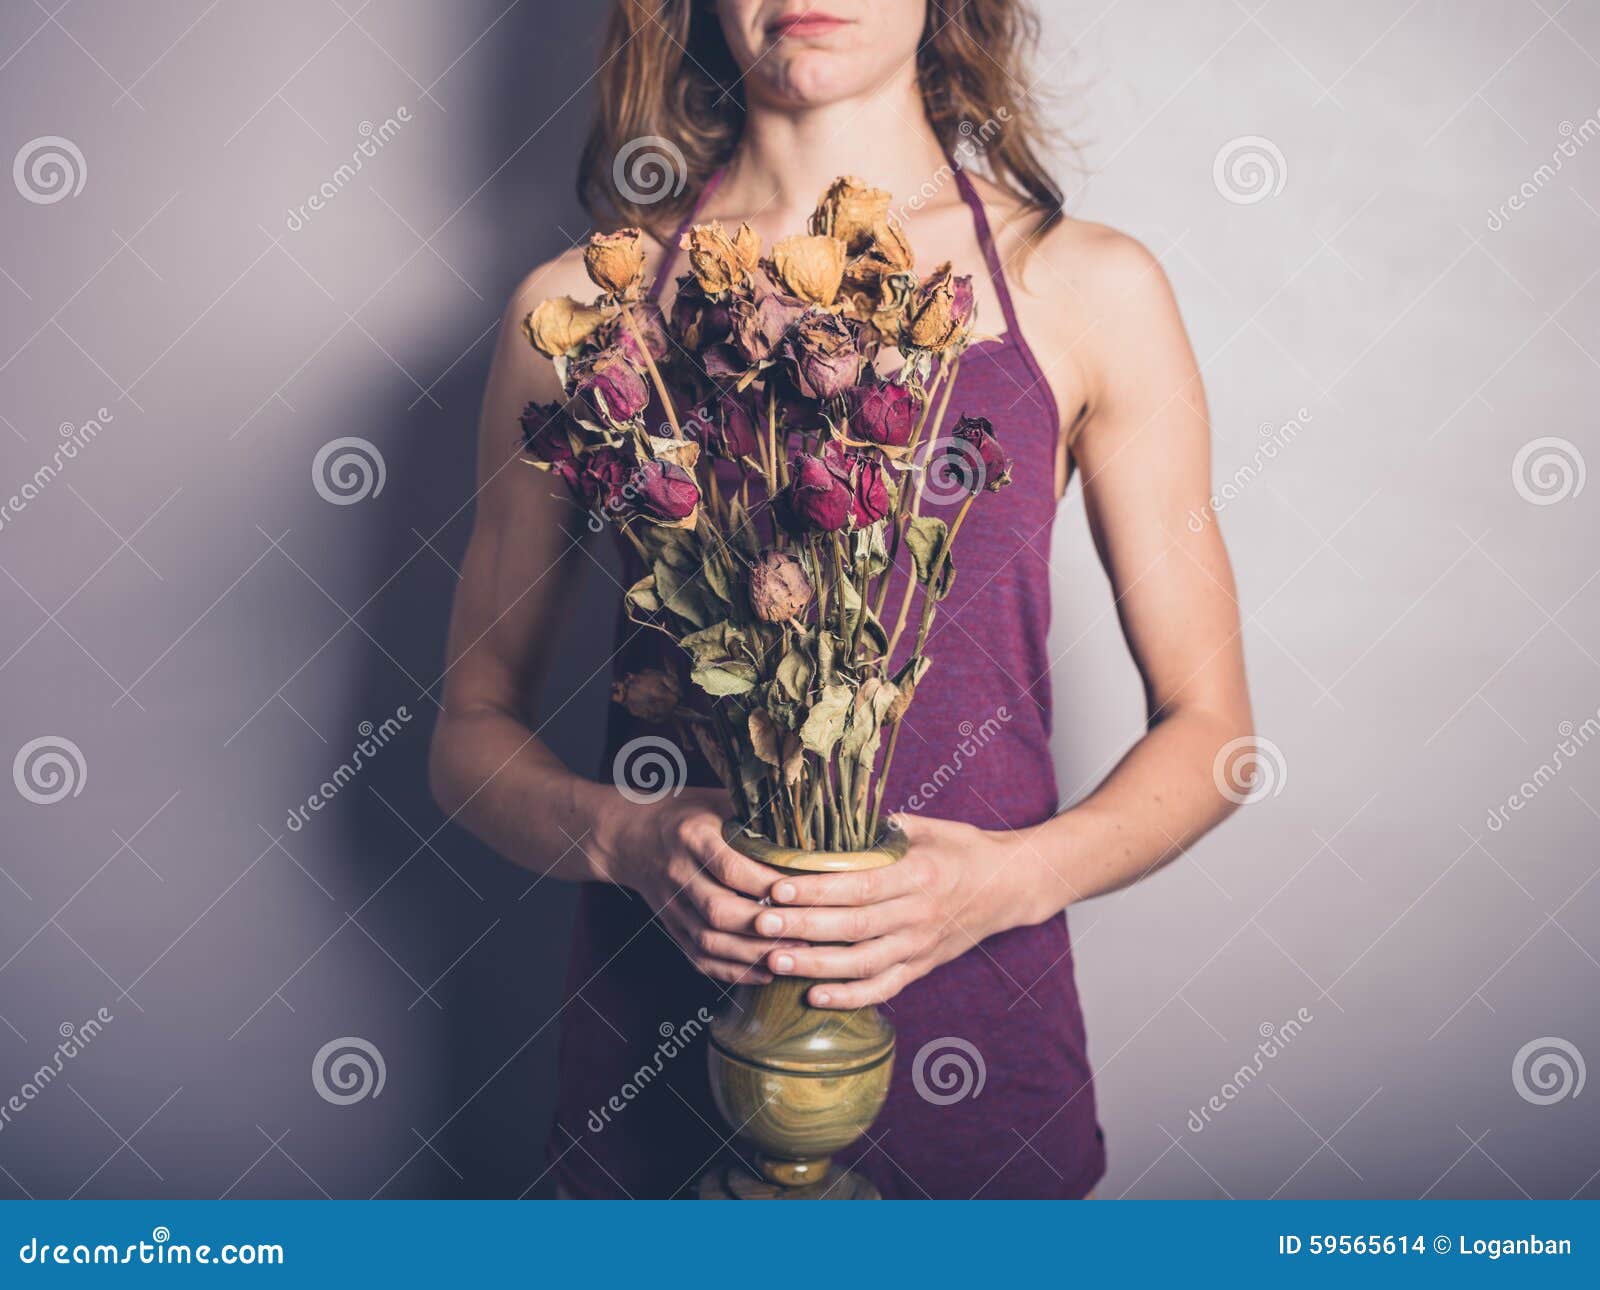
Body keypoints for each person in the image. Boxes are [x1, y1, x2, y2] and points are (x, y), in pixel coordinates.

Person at [429, 0, 1253, 1199]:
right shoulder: (576, 312)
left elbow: (1214, 734)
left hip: (979, 1062)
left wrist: (1008, 882)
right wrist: (632, 839)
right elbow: (467, 732)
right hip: (653, 1062)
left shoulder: (1082, 288)